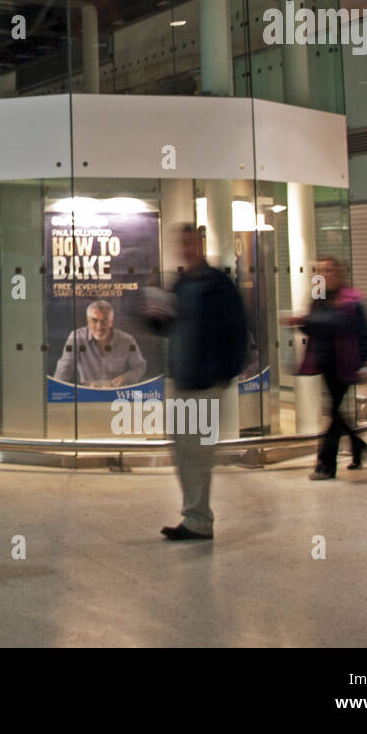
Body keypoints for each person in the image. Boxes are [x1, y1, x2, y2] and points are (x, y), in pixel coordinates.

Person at [142, 223, 248, 542]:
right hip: (184, 380)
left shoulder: (218, 284)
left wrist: (224, 373)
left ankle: (199, 520)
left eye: (191, 242)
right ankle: (194, 515)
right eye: (182, 243)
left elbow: (238, 328)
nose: (186, 248)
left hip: (204, 382)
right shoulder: (182, 284)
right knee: (184, 450)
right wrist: (153, 316)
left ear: (200, 245)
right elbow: (168, 327)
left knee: (198, 452)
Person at [288, 257, 367, 480]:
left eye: (328, 270)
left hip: (347, 363)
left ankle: (326, 464)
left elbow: (363, 332)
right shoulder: (319, 298)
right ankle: (358, 447)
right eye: (319, 271)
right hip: (325, 361)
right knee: (337, 411)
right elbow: (313, 327)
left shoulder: (352, 299)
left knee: (334, 413)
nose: (323, 274)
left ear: (338, 273)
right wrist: (301, 322)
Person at [52, 299, 146, 387]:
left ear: (111, 321)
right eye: (94, 320)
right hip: (86, 394)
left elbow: (139, 366)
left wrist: (126, 378)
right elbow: (65, 366)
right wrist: (57, 390)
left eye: (104, 320)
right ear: (87, 321)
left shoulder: (127, 340)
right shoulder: (76, 337)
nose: (99, 326)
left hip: (117, 394)